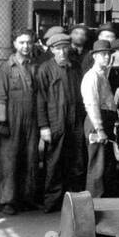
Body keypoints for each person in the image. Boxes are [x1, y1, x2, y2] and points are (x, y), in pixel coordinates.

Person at [37, 32, 86, 212]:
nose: (63, 52)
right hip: (56, 121)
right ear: (51, 50)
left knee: (77, 161)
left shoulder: (76, 68)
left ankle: (75, 202)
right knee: (55, 162)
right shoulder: (45, 70)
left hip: (76, 121)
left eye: (65, 48)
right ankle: (52, 202)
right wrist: (44, 126)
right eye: (58, 49)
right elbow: (40, 99)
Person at [0, 30, 40, 214]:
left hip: (32, 118)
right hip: (11, 119)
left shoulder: (36, 67)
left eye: (29, 43)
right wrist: (2, 121)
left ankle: (28, 198)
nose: (26, 46)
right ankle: (8, 201)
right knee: (9, 160)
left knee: (31, 158)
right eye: (22, 43)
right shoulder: (5, 69)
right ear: (14, 44)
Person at [82, 38, 119, 197]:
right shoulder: (92, 77)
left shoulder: (102, 75)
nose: (107, 57)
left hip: (105, 120)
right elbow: (91, 105)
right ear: (95, 56)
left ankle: (103, 201)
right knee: (97, 165)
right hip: (96, 122)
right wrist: (100, 129)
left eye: (109, 54)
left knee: (105, 165)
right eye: (103, 54)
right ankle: (95, 202)